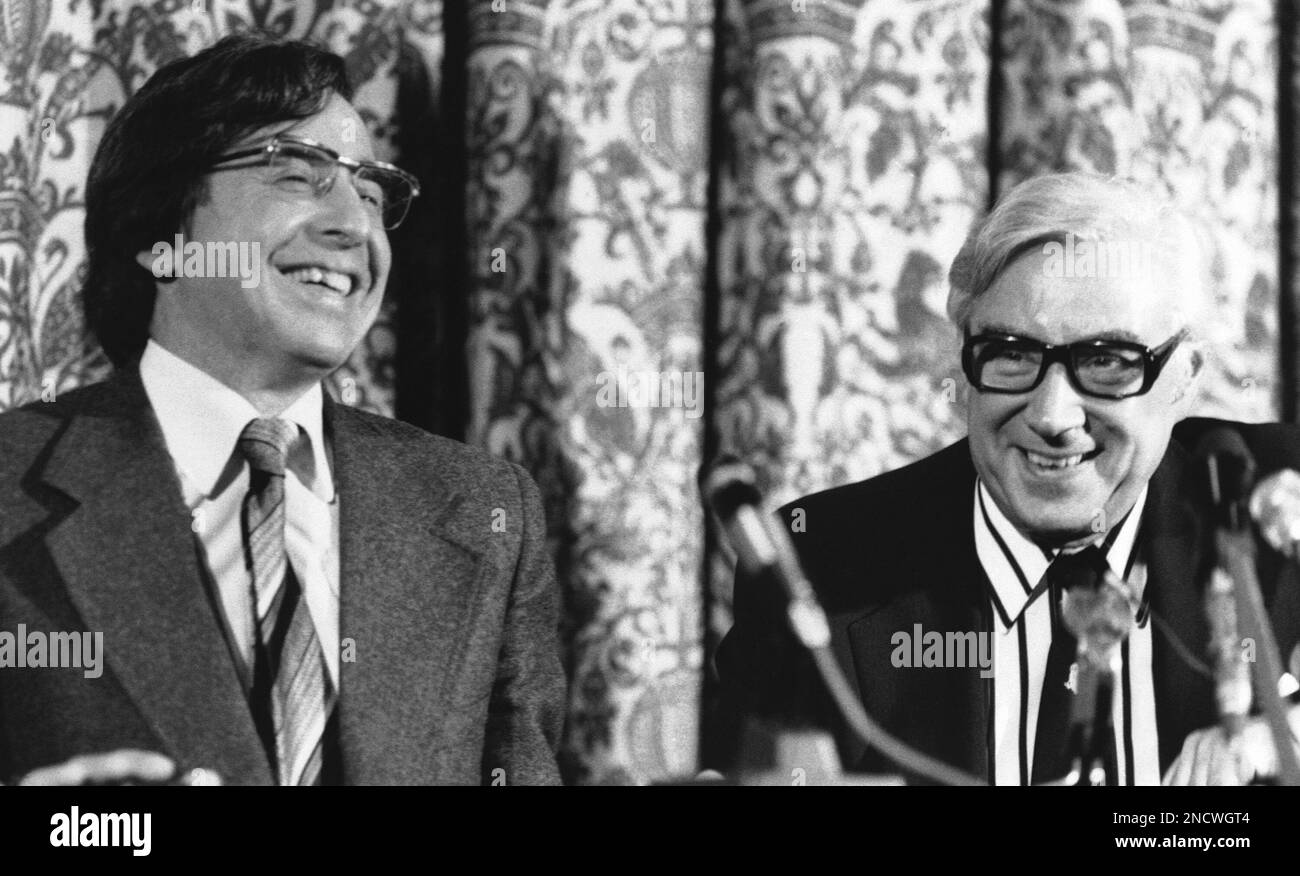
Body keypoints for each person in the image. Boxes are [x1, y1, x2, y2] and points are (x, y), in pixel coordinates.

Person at [0, 34, 565, 785]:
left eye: (371, 193)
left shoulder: (487, 514)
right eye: (298, 175)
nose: (355, 227)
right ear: (157, 235)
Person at [716, 171, 1300, 786]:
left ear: (1184, 378)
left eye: (1106, 362)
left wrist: (1278, 735)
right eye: (1013, 354)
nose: (1052, 416)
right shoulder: (819, 566)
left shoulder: (1275, 507)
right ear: (965, 365)